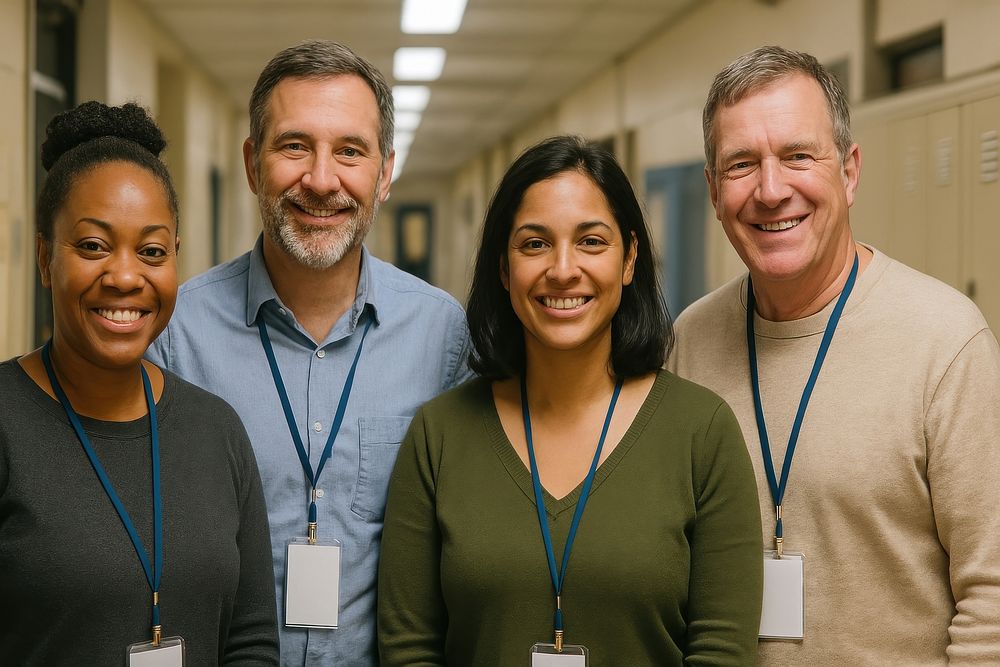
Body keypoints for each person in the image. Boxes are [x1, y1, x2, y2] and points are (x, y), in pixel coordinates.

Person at [668, 45, 1000, 664]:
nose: (771, 190)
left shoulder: (946, 343)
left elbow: (993, 598)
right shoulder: (690, 341)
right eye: (742, 165)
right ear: (713, 191)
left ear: (848, 171)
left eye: (797, 156)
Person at [378, 135, 763, 665]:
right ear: (502, 268)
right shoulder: (440, 434)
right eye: (534, 244)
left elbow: (722, 650)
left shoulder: (701, 431)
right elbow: (409, 647)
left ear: (629, 259)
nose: (562, 269)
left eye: (591, 242)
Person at [147, 40, 472, 664]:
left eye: (350, 151)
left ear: (384, 173)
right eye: (295, 146)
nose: (322, 180)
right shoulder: (177, 335)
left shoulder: (443, 338)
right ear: (251, 163)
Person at [0, 101, 278, 665]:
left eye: (151, 251)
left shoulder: (216, 429)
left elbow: (250, 638)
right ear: (45, 258)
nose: (125, 276)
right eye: (93, 246)